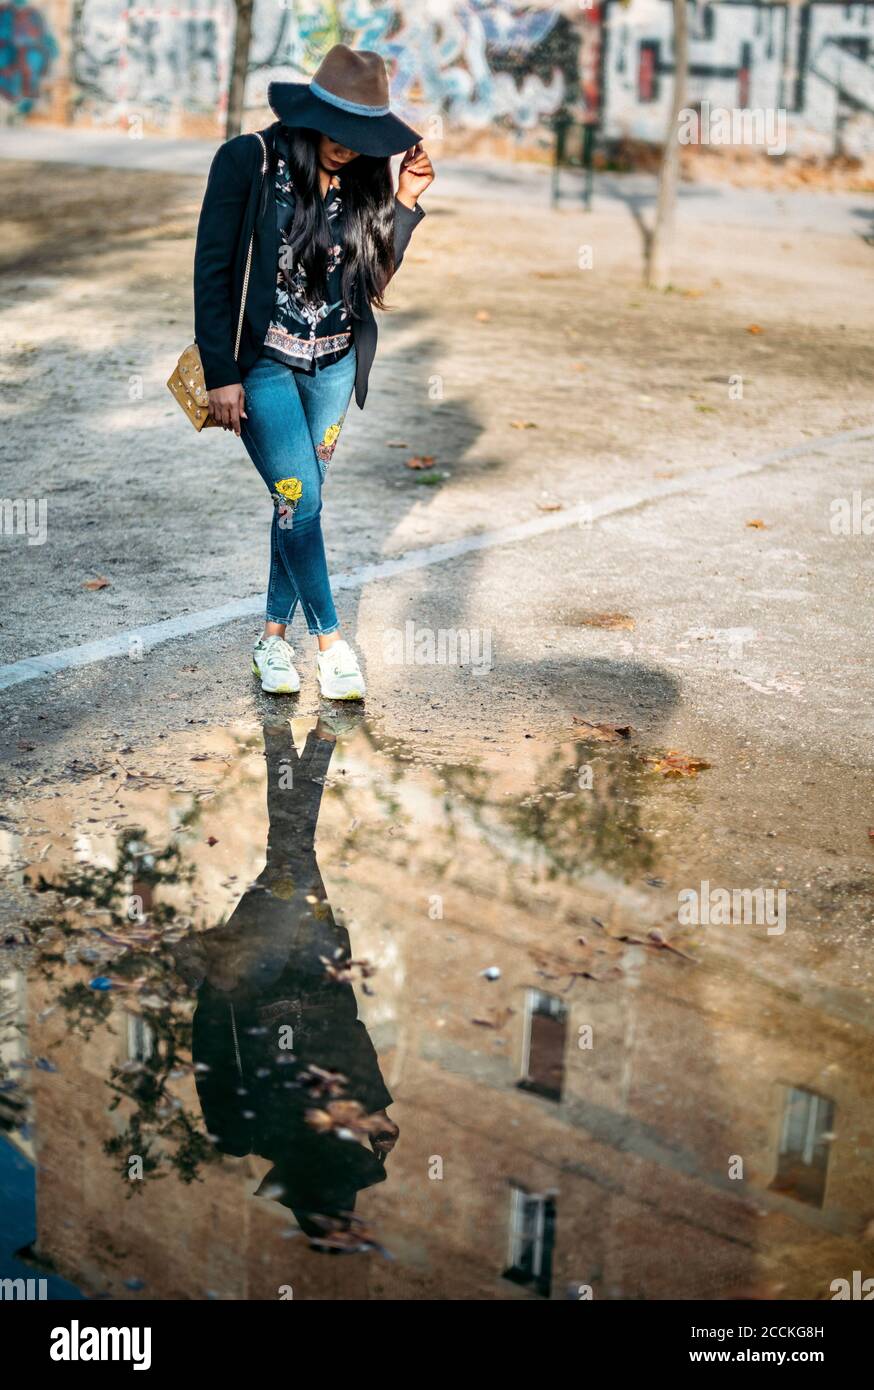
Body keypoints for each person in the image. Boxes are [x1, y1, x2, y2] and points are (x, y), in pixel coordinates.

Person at [194, 44, 435, 700]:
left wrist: (405, 204)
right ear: (312, 113)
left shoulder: (363, 181)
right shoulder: (249, 161)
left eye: (362, 138)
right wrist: (221, 372)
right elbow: (213, 272)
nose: (347, 148)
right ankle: (332, 646)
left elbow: (371, 279)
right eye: (339, 132)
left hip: (332, 368)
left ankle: (272, 642)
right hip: (263, 363)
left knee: (294, 504)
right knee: (303, 496)